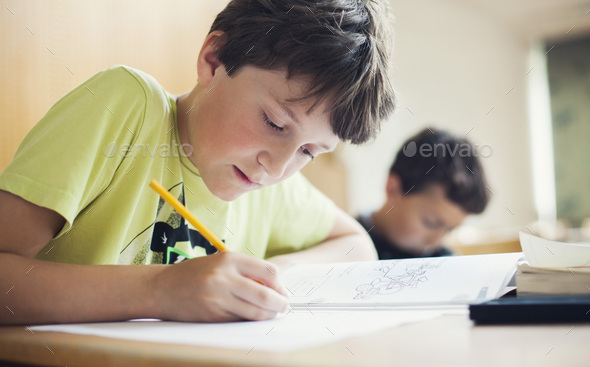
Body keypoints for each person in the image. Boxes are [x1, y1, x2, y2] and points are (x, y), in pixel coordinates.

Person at [0, 0, 395, 325]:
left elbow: (357, 245)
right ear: (214, 58)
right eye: (274, 123)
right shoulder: (126, 107)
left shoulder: (270, 186)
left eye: (308, 152)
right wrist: (158, 290)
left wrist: (273, 276)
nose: (276, 168)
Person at [357, 128, 490, 260]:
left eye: (449, 230)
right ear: (392, 188)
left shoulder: (444, 261)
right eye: (430, 223)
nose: (434, 243)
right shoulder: (347, 243)